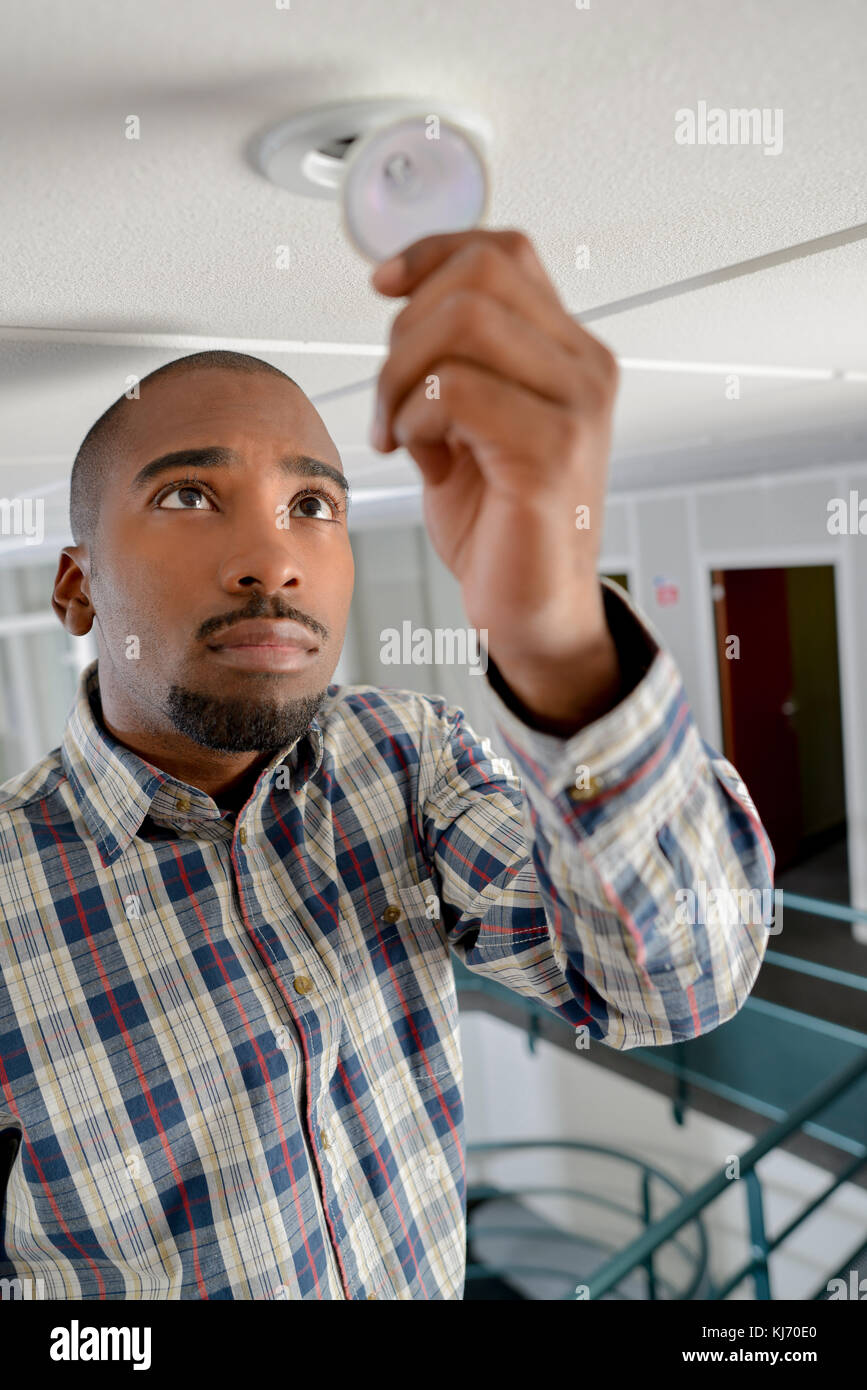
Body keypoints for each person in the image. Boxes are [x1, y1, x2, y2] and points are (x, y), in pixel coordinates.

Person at [0, 229, 773, 1299]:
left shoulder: (406, 758)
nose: (274, 558)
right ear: (77, 587)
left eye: (313, 506)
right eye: (187, 494)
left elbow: (676, 984)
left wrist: (553, 635)